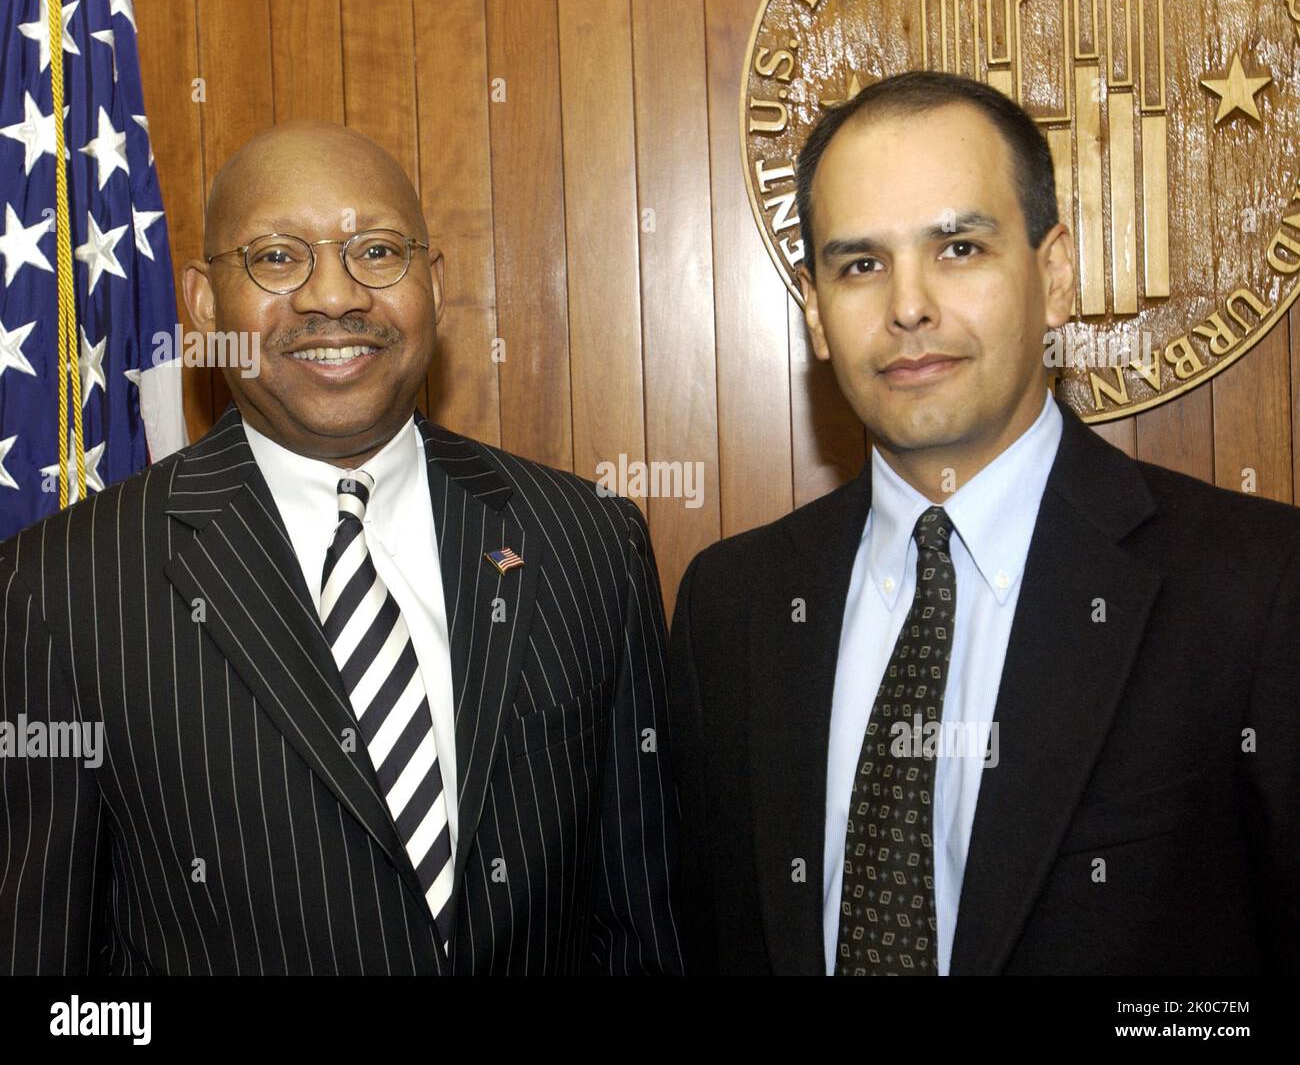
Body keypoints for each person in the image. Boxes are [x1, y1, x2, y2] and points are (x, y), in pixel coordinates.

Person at [0, 120, 682, 976]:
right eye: (278, 258)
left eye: (377, 251)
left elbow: (642, 921)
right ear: (206, 305)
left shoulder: (589, 541)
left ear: (433, 284)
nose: (334, 296)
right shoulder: (62, 588)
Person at [669, 70, 1300, 975]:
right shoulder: (732, 606)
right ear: (815, 312)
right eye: (861, 264)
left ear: (1054, 276)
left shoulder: (1256, 588)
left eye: (959, 248)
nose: (909, 305)